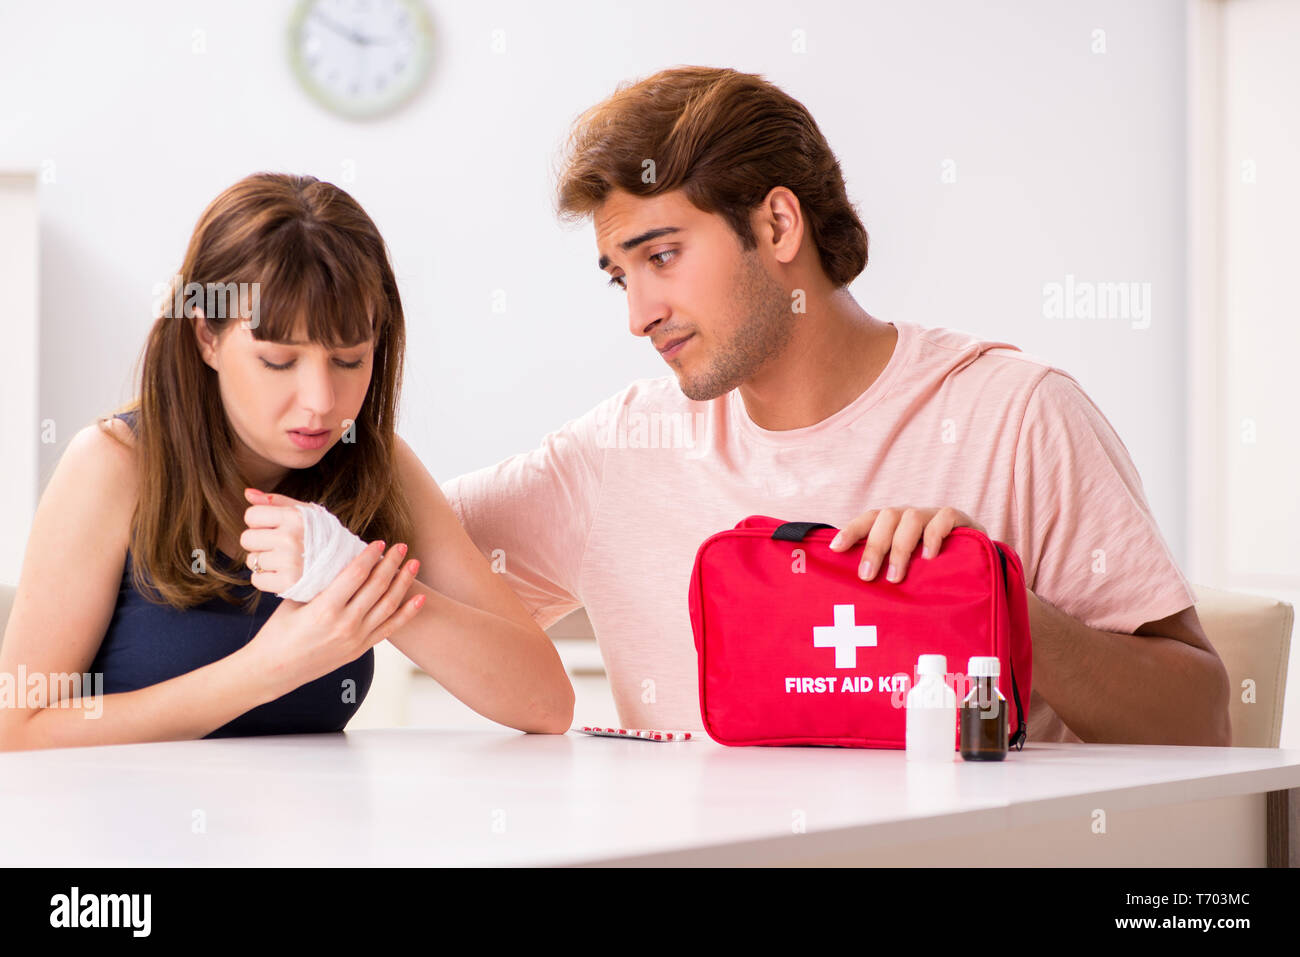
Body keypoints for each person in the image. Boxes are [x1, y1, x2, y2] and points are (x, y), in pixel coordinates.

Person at [440, 66, 1231, 746]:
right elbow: (382, 534)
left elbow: (1200, 720)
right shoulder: (618, 451)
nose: (637, 313)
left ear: (778, 224)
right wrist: (345, 387)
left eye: (663, 255)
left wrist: (995, 601)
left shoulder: (1018, 416)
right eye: (621, 275)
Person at [0, 172, 573, 751]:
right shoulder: (113, 465)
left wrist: (352, 579)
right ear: (207, 337)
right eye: (278, 361)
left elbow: (547, 703)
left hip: (314, 837)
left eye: (349, 360)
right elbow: (15, 731)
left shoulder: (376, 465)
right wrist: (265, 671)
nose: (321, 402)